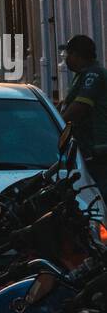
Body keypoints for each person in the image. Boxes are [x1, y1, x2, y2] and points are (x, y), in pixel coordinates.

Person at [59, 34, 107, 197]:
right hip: (86, 146)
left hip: (97, 148)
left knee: (98, 193)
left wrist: (58, 125)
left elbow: (79, 107)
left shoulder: (93, 75)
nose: (66, 58)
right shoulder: (82, 75)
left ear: (77, 55)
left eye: (68, 54)